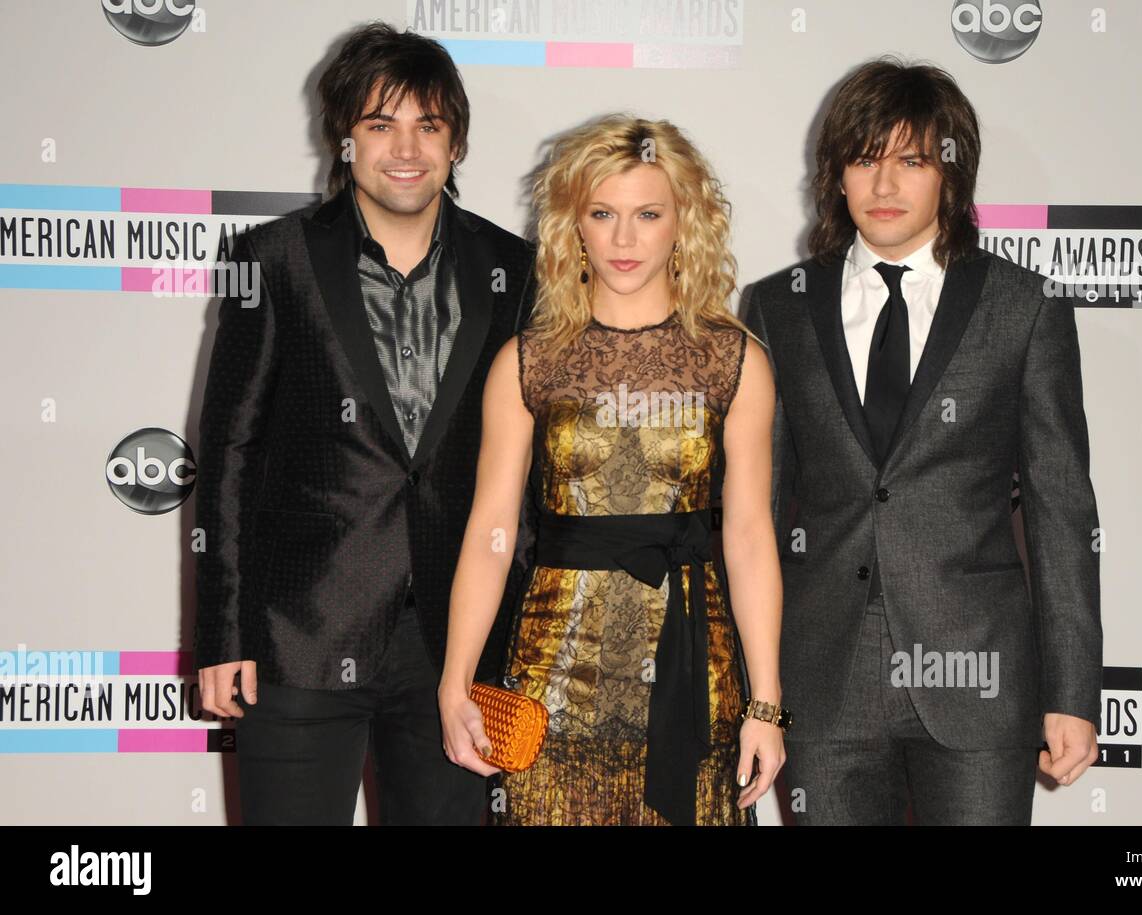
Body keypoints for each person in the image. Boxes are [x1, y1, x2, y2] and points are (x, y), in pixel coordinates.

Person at [744, 57, 1102, 825]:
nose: (884, 184)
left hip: (979, 680)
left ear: (950, 175)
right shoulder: (780, 307)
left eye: (911, 160)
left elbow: (1061, 507)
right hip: (824, 681)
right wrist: (755, 691)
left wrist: (1072, 691)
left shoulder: (1024, 307)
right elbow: (757, 517)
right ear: (835, 175)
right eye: (865, 159)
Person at [194, 23, 536, 825]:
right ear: (345, 138)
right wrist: (222, 630)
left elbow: (530, 470)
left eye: (429, 124)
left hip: (457, 644)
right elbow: (229, 453)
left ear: (456, 142)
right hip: (300, 634)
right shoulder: (274, 260)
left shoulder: (513, 269)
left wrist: (522, 632)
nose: (406, 148)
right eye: (381, 125)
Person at [438, 114, 787, 826]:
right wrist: (455, 681)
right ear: (574, 225)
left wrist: (767, 705)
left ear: (682, 223)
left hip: (694, 673)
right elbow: (492, 533)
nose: (625, 239)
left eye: (647, 214)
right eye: (603, 213)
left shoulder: (735, 360)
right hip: (552, 681)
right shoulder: (527, 361)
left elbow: (750, 537)